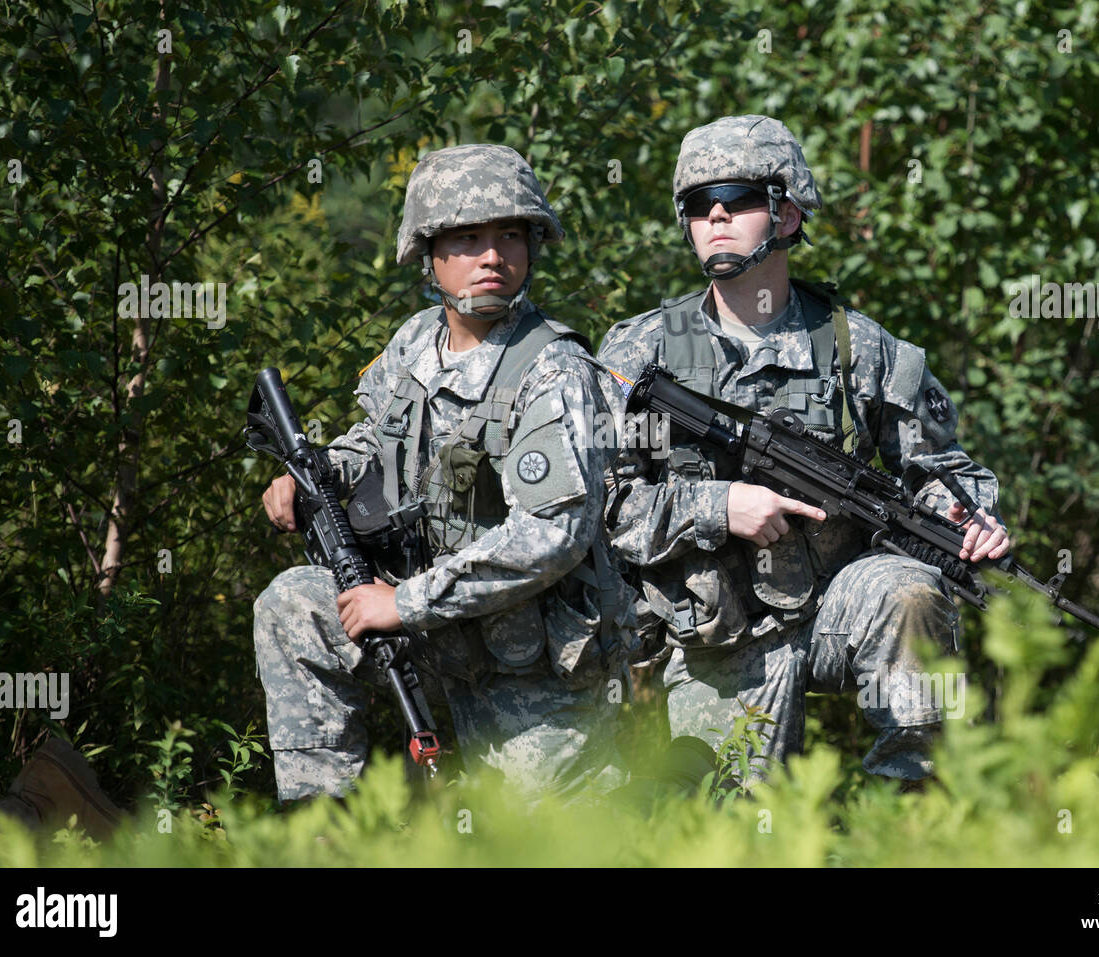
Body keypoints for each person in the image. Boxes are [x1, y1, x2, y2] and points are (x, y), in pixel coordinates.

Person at [598, 115, 1010, 784]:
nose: (718, 216)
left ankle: (906, 811)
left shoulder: (857, 347)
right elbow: (595, 505)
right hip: (715, 635)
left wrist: (967, 516)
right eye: (699, 204)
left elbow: (942, 468)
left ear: (787, 214)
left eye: (738, 197)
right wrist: (717, 504)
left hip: (836, 606)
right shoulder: (640, 351)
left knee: (908, 589)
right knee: (725, 820)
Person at [255, 144, 636, 803]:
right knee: (293, 603)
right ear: (428, 253)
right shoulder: (413, 343)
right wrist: (313, 472)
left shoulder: (553, 367)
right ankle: (318, 823)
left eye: (509, 235)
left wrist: (403, 603)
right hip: (432, 637)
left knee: (552, 844)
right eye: (468, 238)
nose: (492, 255)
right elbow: (375, 438)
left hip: (528, 673)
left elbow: (554, 533)